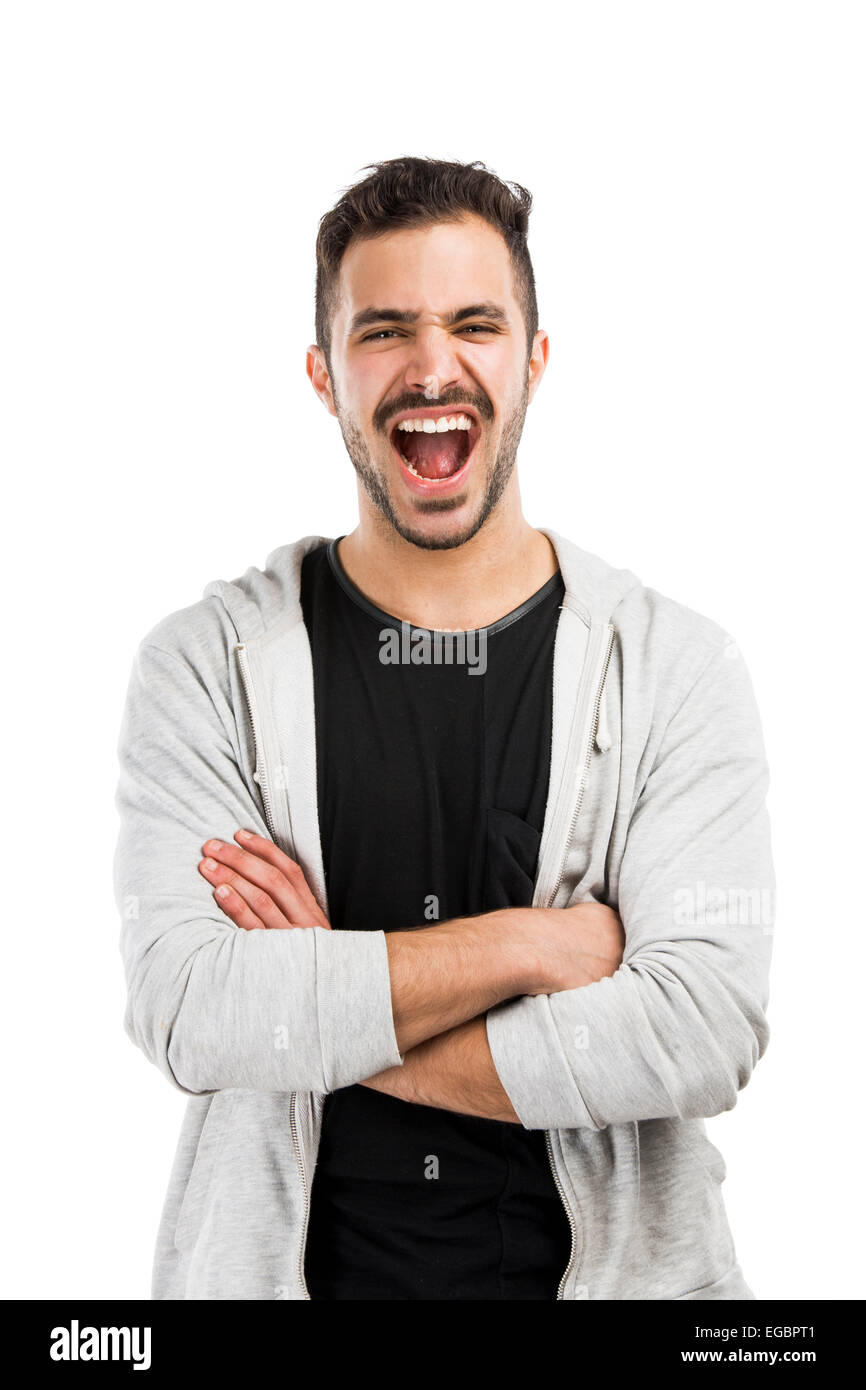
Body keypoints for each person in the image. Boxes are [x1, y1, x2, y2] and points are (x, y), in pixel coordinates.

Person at [114, 156, 775, 1301]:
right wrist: (530, 944)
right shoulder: (202, 666)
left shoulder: (674, 667)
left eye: (475, 322)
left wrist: (325, 999)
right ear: (323, 377)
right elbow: (191, 1008)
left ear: (534, 360)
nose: (432, 365)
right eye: (383, 331)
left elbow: (700, 1028)